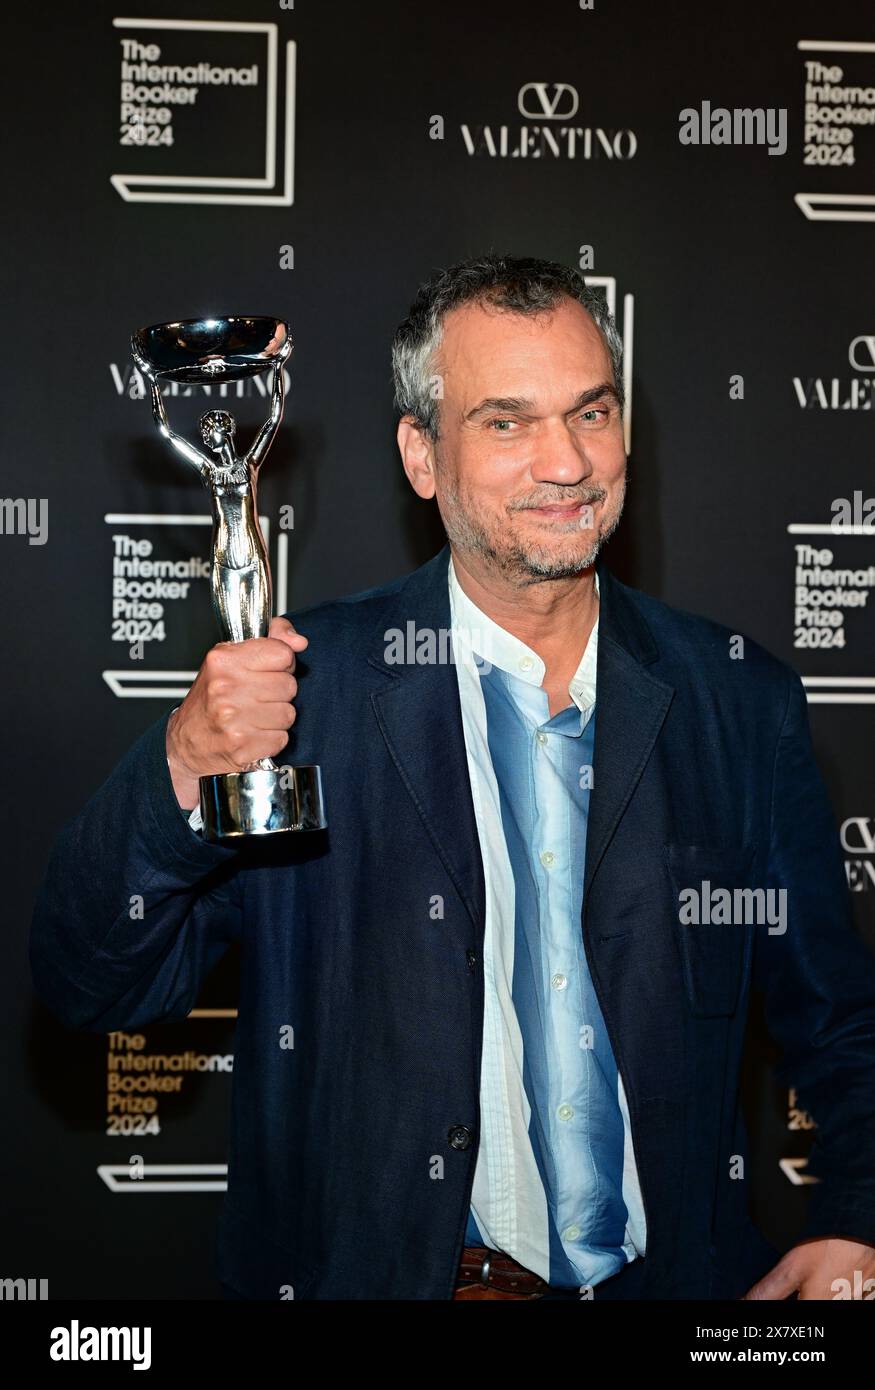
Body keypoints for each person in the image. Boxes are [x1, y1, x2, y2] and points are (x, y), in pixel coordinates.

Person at [31, 254, 875, 1301]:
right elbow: (87, 984)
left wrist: (854, 1218)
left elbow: (838, 1019)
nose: (565, 461)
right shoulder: (307, 695)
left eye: (590, 411)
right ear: (420, 455)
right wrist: (179, 769)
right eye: (506, 422)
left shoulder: (736, 701)